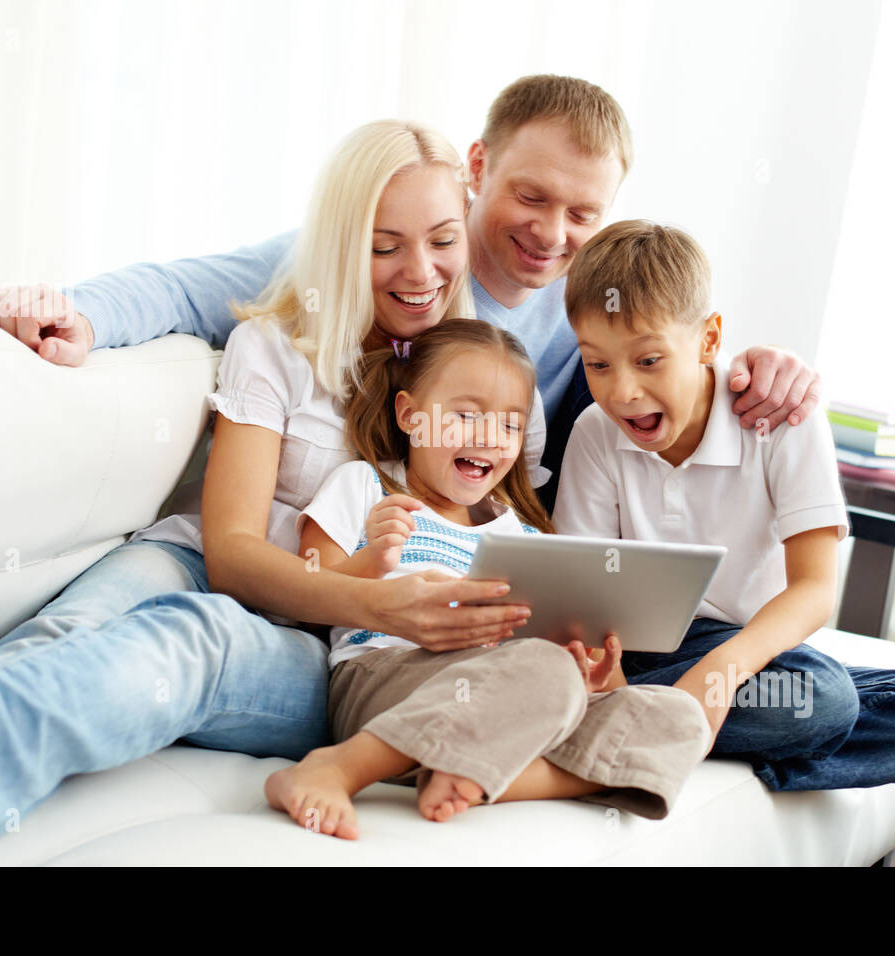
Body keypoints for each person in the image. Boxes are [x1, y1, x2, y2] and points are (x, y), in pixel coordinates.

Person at [0, 120, 537, 866]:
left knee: (193, 642)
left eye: (443, 240)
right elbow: (229, 553)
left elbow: (516, 528)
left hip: (325, 646)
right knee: (73, 632)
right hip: (216, 560)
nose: (419, 270)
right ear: (340, 245)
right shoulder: (280, 345)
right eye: (384, 246)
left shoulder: (471, 375)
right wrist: (74, 314)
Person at [0, 75, 824, 502]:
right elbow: (189, 287)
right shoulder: (392, 251)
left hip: (506, 559)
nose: (551, 234)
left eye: (582, 213)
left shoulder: (590, 313)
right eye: (531, 197)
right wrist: (75, 312)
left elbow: (675, 368)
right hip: (363, 559)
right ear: (479, 167)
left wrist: (761, 370)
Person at [553, 220, 895, 791]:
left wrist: (717, 676)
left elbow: (813, 589)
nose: (622, 392)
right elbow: (586, 597)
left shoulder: (781, 422)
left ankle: (646, 727)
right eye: (598, 364)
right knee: (826, 701)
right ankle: (650, 719)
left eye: (648, 360)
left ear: (709, 339)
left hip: (750, 649)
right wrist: (607, 680)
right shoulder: (594, 431)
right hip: (643, 652)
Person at [266, 318, 709, 839]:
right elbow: (309, 593)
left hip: (505, 698)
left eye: (508, 424)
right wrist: (373, 562)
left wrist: (595, 674)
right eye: (466, 415)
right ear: (409, 415)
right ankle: (339, 766)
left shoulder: (525, 534)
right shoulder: (366, 486)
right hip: (388, 672)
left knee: (682, 716)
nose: (488, 439)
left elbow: (567, 670)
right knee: (543, 670)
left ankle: (465, 770)